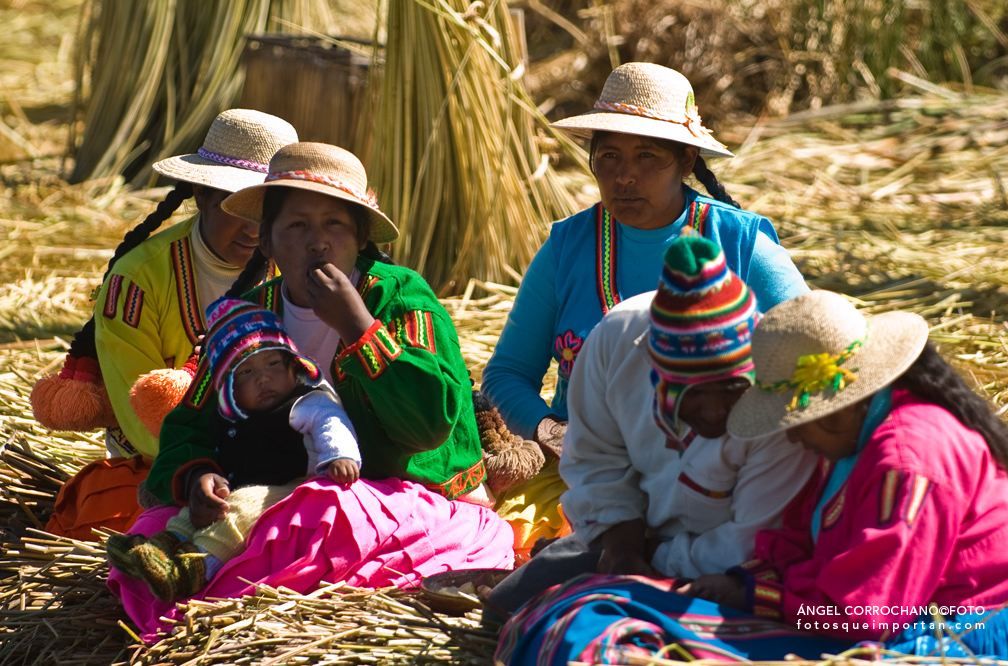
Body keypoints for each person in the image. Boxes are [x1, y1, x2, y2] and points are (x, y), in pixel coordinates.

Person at [494, 290, 1008, 664]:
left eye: (792, 426)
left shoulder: (910, 460)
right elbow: (790, 543)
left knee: (618, 637)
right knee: (584, 604)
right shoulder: (850, 446)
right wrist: (733, 583)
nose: (793, 441)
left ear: (830, 412)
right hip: (842, 614)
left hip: (941, 633)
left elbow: (861, 620)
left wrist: (752, 598)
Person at [480, 62, 808, 554]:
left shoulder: (741, 244)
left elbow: (812, 357)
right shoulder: (567, 247)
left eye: (647, 156)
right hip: (591, 480)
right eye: (608, 155)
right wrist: (551, 431)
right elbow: (506, 374)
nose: (624, 175)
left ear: (686, 158)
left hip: (720, 477)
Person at [142, 141, 490, 521]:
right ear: (266, 241)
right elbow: (189, 427)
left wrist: (358, 327)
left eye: (334, 223)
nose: (318, 242)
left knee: (325, 525)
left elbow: (427, 428)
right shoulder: (249, 320)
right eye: (297, 225)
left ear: (360, 238)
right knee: (153, 525)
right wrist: (198, 474)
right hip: (283, 497)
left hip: (408, 496)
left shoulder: (400, 298)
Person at [486, 235, 817, 615]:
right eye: (692, 396)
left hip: (738, 564)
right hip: (633, 539)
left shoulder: (778, 403)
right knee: (503, 611)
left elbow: (752, 537)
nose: (713, 412)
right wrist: (621, 548)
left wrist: (654, 559)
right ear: (659, 378)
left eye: (731, 391)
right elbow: (596, 457)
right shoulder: (618, 341)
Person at [35, 109, 298, 539]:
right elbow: (140, 417)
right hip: (163, 465)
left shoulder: (293, 270)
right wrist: (207, 472)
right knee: (125, 524)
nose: (255, 229)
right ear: (201, 192)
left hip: (277, 458)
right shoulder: (137, 281)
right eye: (239, 206)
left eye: (269, 210)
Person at [106, 297, 360, 601]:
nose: (264, 378)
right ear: (230, 387)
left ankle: (193, 570)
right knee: (196, 511)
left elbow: (330, 421)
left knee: (237, 509)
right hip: (246, 485)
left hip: (297, 489)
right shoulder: (230, 415)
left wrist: (340, 455)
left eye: (273, 364)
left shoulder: (304, 401)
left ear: (293, 365)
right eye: (247, 373)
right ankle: (160, 547)